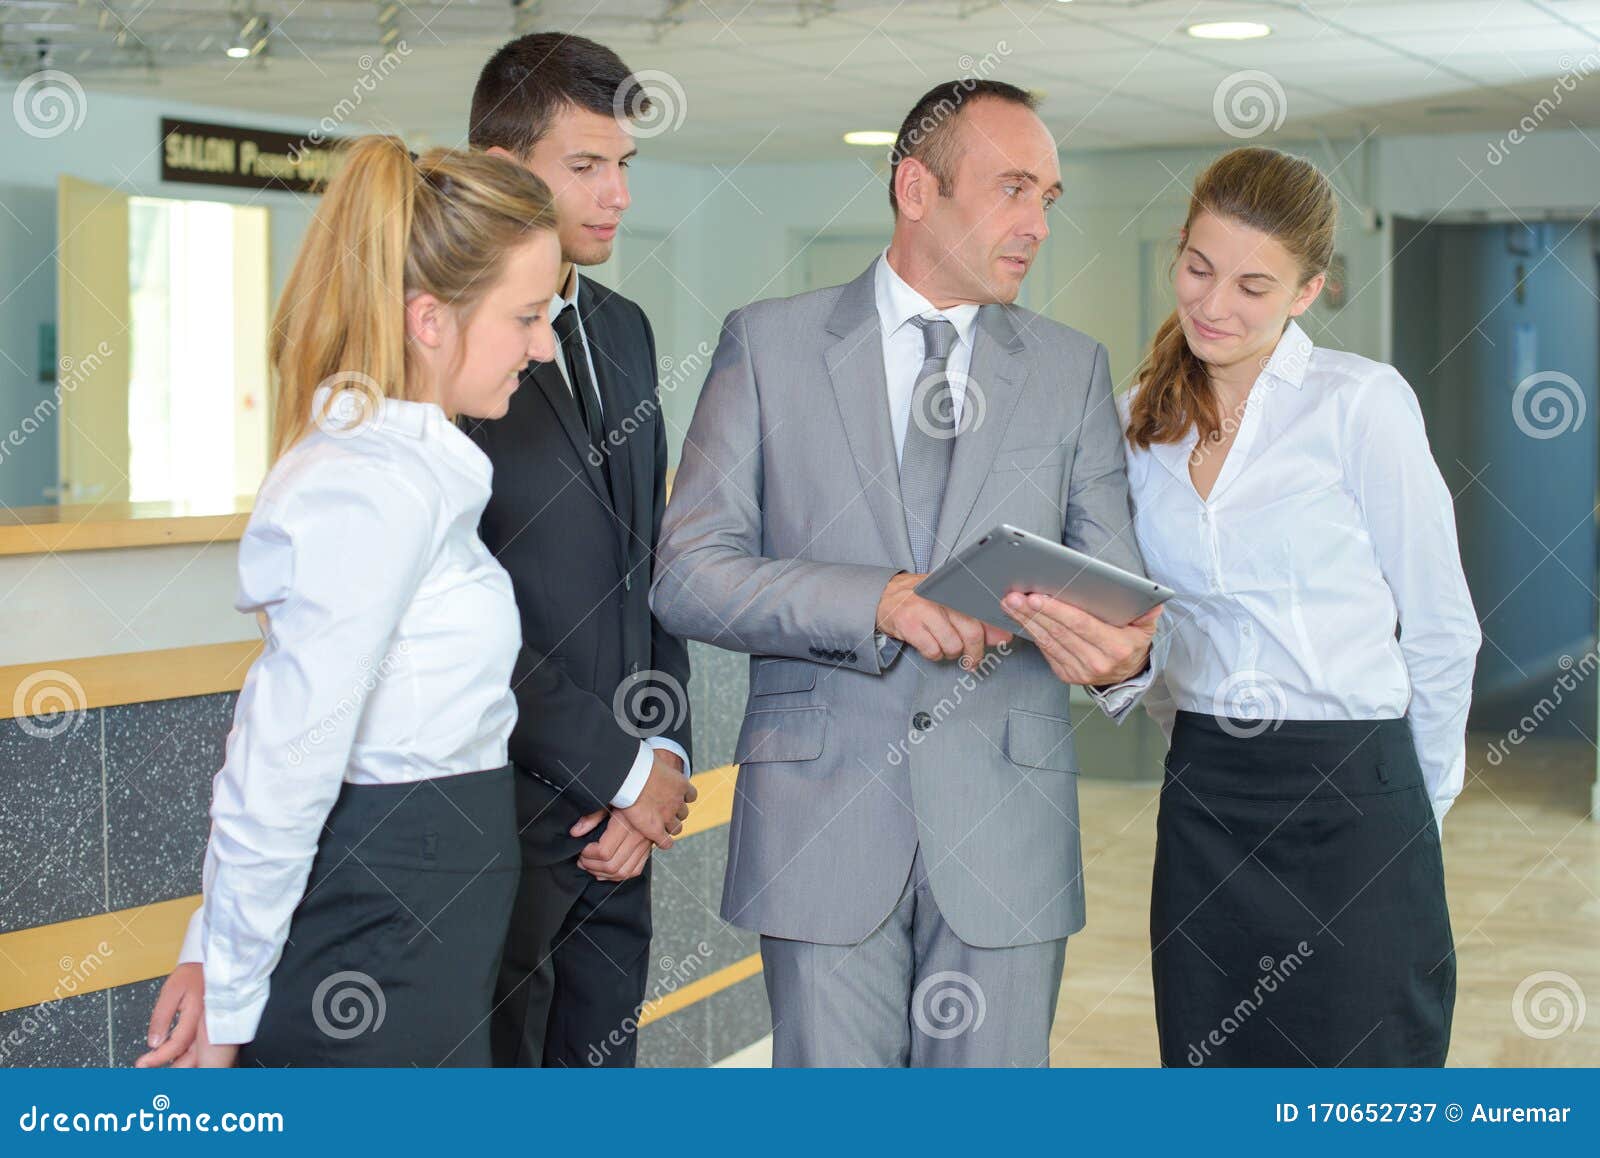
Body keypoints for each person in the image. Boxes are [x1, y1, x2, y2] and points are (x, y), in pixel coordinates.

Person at [651, 79, 1160, 1067]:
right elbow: (688, 574)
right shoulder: (768, 346)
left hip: (1008, 831)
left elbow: (1119, 595)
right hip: (818, 820)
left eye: (1049, 198)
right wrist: (872, 601)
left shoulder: (1071, 370)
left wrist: (1116, 658)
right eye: (1014, 189)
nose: (1038, 225)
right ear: (916, 189)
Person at [134, 136, 561, 1067]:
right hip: (384, 915)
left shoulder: (410, 469)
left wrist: (215, 947)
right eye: (526, 315)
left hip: (426, 904)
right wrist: (230, 986)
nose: (546, 343)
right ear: (429, 321)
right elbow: (287, 749)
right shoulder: (370, 486)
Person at [1119, 145, 1480, 1067]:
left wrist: (1413, 810)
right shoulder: (1134, 424)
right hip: (1204, 798)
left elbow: (1442, 628)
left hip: (1356, 800)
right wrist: (1180, 725)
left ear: (1308, 291)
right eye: (1198, 269)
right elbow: (1152, 628)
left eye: (1252, 284)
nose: (1213, 304)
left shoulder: (1359, 405)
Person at [464, 32, 696, 1069]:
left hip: (625, 833)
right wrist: (612, 769)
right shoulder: (443, 348)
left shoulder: (627, 328)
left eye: (624, 166)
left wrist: (660, 763)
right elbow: (457, 617)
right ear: (509, 172)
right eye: (586, 167)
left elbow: (653, 569)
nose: (617, 195)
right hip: (501, 826)